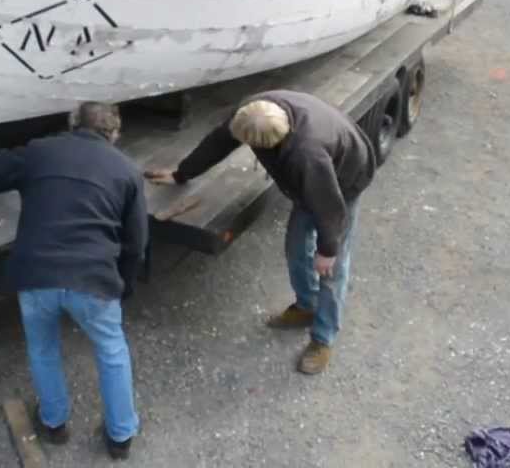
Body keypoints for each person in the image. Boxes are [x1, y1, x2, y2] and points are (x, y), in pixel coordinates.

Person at [146, 90, 375, 375]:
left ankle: (323, 337)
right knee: (295, 246)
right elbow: (220, 141)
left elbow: (329, 207)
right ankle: (307, 306)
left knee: (331, 270)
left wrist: (328, 250)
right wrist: (182, 173)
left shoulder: (307, 154)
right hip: (311, 182)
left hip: (344, 181)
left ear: (278, 141)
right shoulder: (252, 113)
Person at [0, 102, 147, 460]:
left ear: (71, 124)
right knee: (112, 352)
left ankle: (54, 424)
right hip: (93, 279)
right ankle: (120, 438)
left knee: (43, 349)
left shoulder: (40, 151)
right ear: (114, 134)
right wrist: (124, 284)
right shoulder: (128, 170)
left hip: (36, 275)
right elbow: (136, 243)